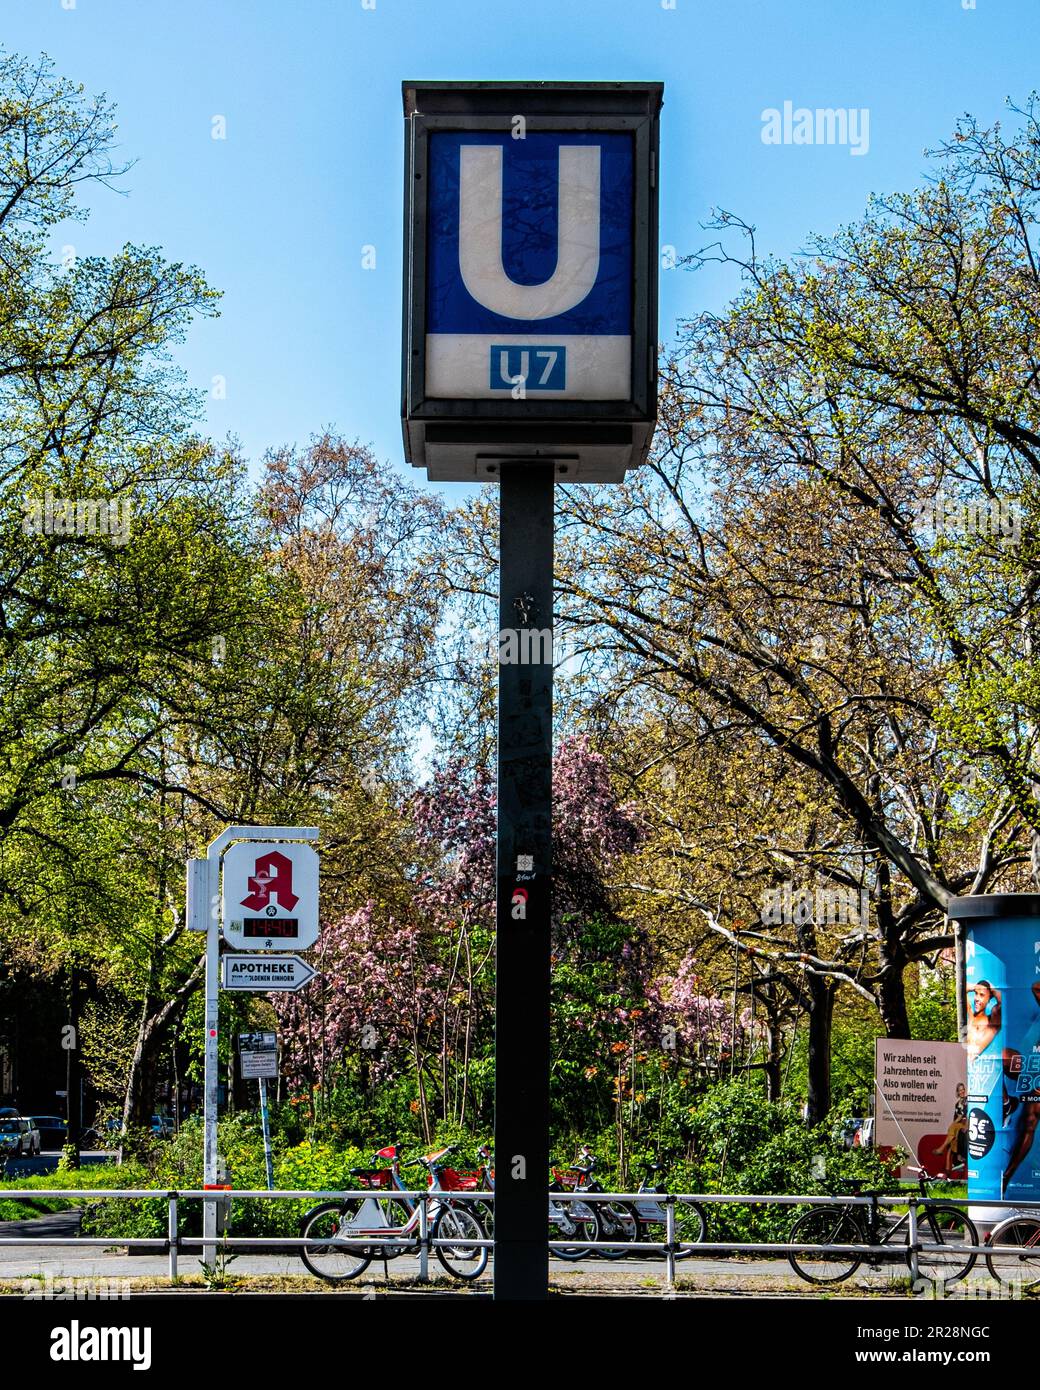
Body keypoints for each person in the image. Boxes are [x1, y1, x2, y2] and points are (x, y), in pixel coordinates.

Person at [1003, 982, 1040, 1193]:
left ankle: (1007, 1176)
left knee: (1030, 1118)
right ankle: (1008, 1102)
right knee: (997, 1055)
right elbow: (1036, 986)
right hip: (1029, 1064)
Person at [934, 1083, 968, 1175]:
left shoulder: (968, 1100)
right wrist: (954, 1124)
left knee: (952, 1129)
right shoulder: (957, 1104)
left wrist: (955, 1124)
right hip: (959, 1124)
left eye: (963, 1089)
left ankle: (941, 1149)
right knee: (952, 1139)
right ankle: (948, 1169)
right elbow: (957, 1117)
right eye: (960, 1090)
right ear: (957, 1092)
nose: (962, 1091)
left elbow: (963, 1116)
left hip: (966, 1123)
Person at [965, 981, 1001, 1059]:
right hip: (965, 1065)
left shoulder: (991, 1022)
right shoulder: (971, 1016)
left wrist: (993, 989)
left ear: (989, 999)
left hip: (979, 1068)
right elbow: (962, 988)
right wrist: (976, 986)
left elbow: (1004, 1003)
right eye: (976, 993)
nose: (977, 998)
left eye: (982, 995)